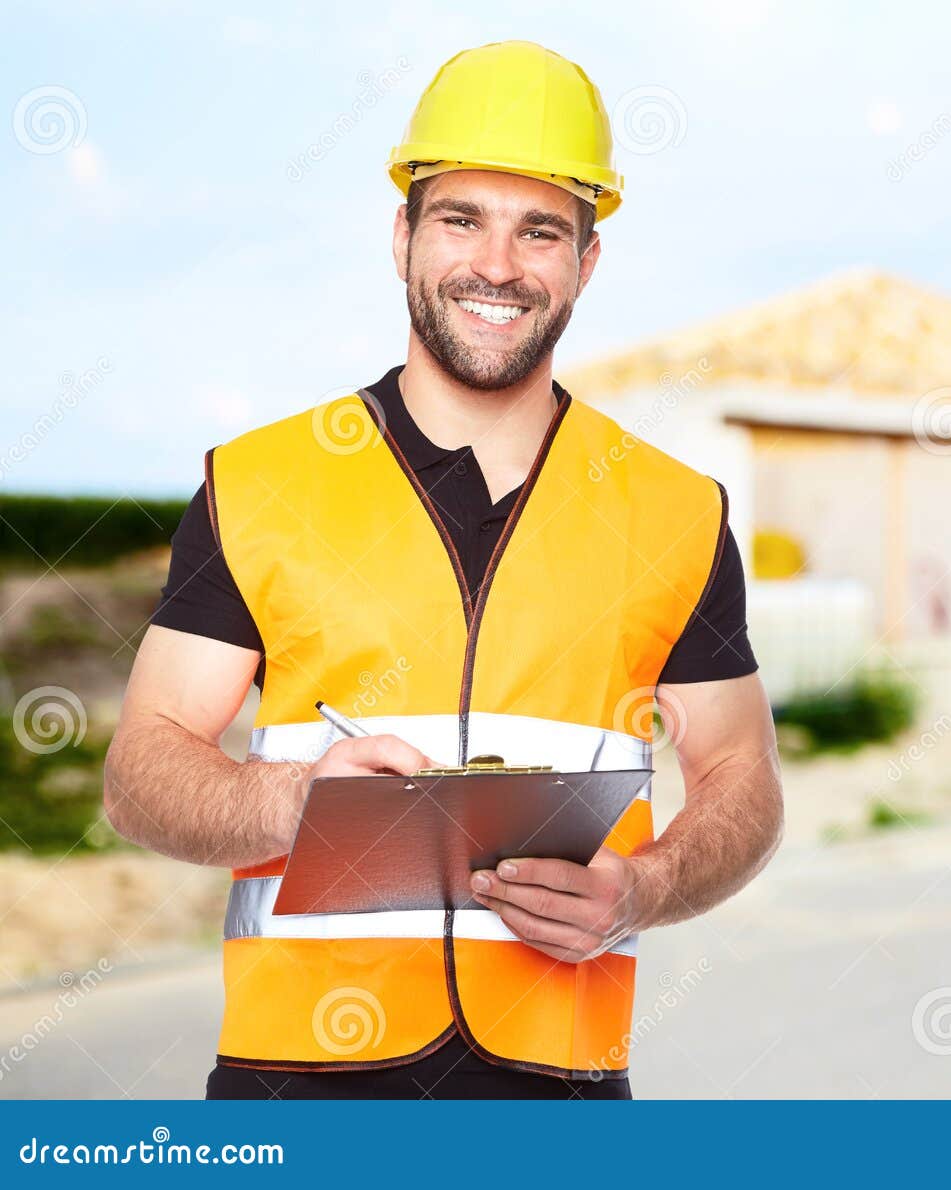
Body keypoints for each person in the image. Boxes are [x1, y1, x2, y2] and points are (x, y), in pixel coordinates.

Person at [103, 40, 784, 1100]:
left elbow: (743, 777)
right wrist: (290, 804)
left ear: (586, 262)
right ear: (403, 235)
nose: (498, 266)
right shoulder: (264, 482)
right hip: (300, 1088)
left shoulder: (674, 511)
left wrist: (641, 888)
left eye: (540, 230)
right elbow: (141, 768)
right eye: (461, 217)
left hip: (559, 1093)